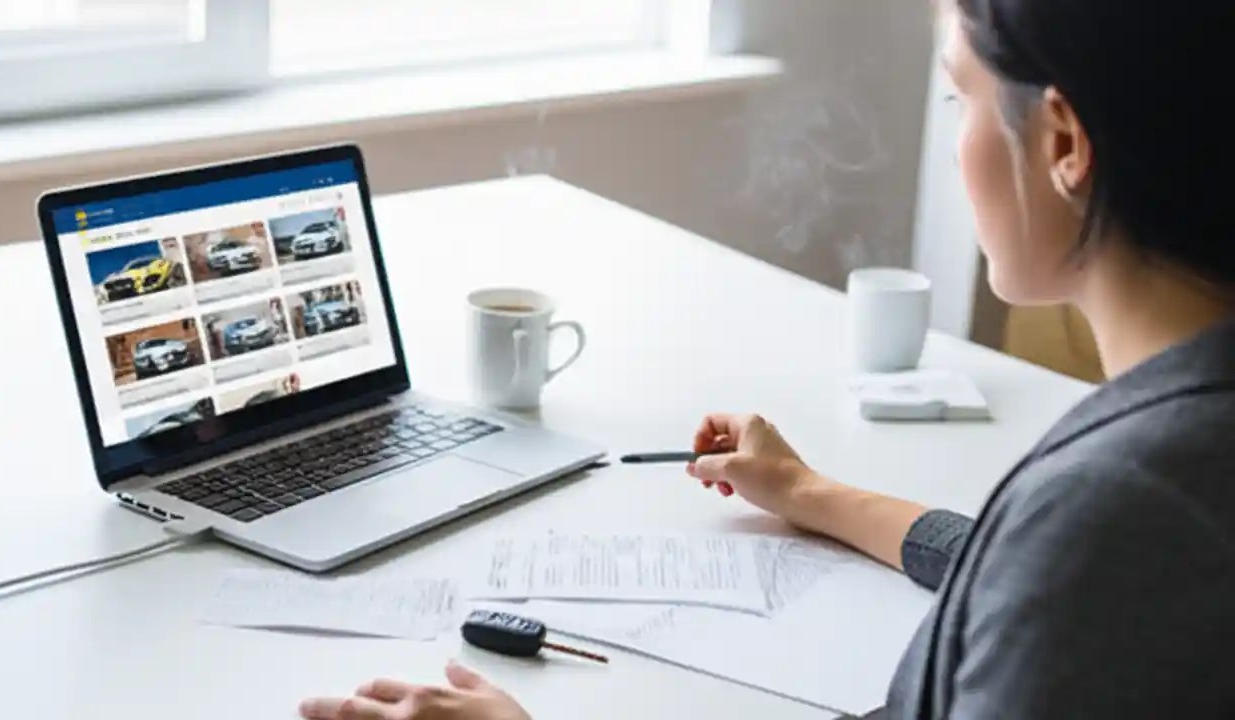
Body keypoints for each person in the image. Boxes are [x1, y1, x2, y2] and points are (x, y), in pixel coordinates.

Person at [298, 0, 1235, 717]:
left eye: (962, 99)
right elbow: (1007, 571)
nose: (956, 145)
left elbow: (1063, 566)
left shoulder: (1119, 514)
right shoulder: (1168, 447)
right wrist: (808, 491)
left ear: (1065, 141)